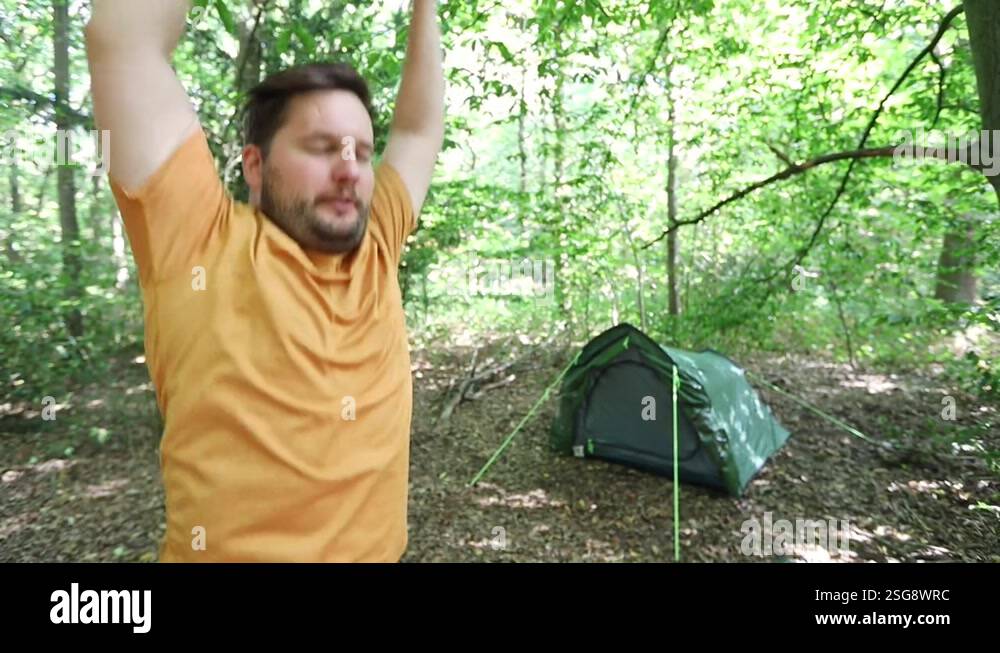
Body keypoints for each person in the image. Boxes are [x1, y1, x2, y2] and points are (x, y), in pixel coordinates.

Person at [84, 0, 444, 562]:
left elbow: (419, 129)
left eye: (363, 152)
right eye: (323, 148)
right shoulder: (198, 241)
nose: (351, 169)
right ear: (254, 166)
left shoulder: (378, 244)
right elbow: (122, 38)